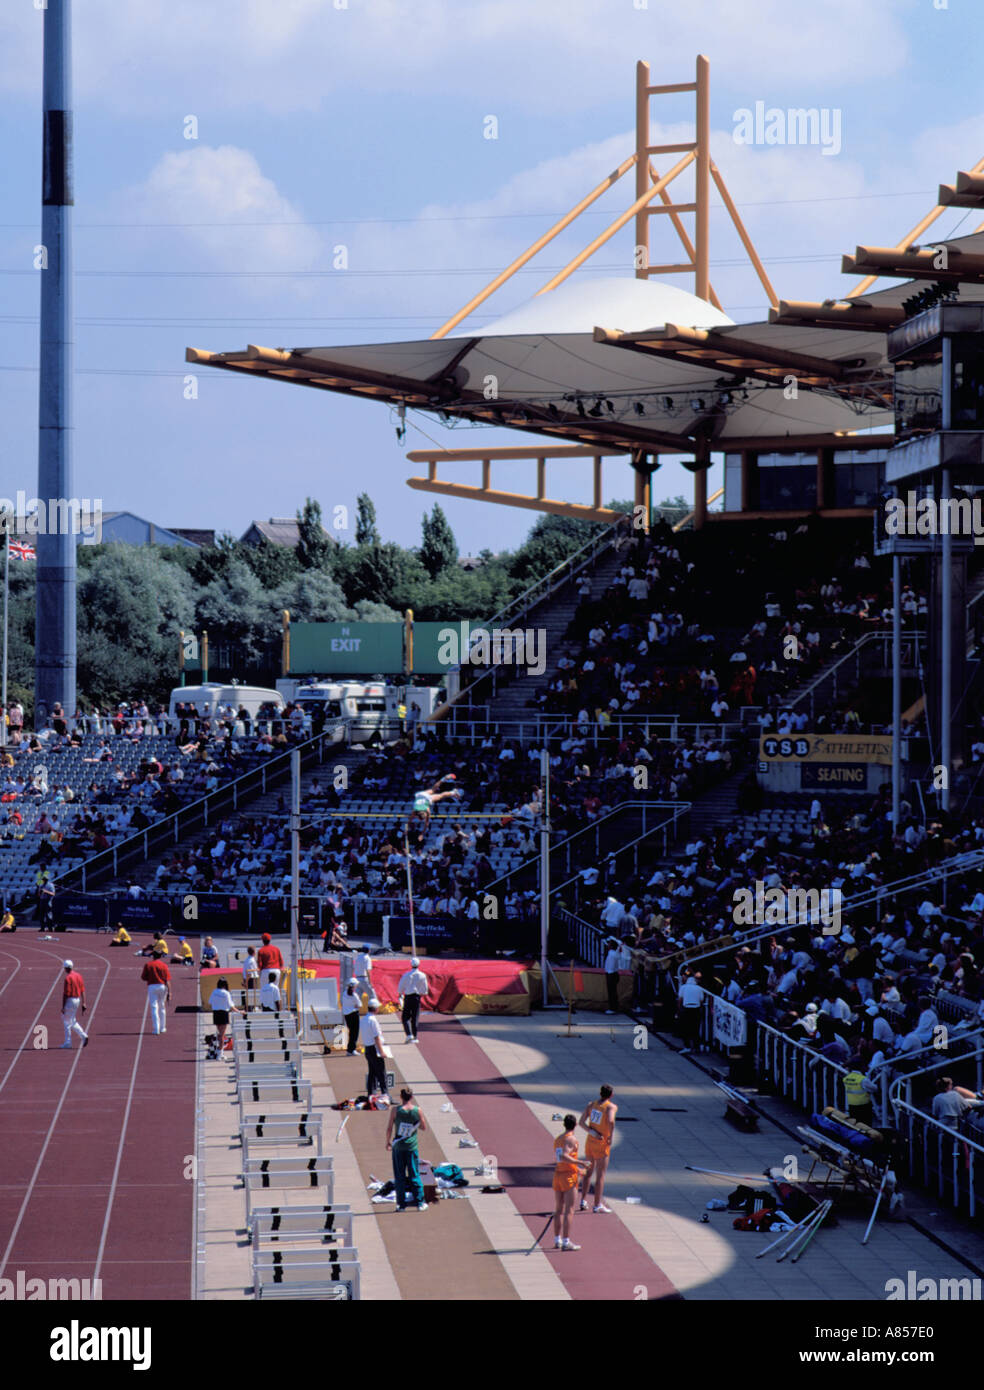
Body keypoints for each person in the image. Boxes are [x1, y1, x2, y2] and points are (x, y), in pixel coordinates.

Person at [385, 1086, 428, 1212]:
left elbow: (389, 1128)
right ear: (412, 1097)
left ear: (401, 1097)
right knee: (414, 1174)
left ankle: (401, 1204)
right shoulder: (417, 1110)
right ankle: (420, 1203)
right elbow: (423, 1127)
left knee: (400, 1176)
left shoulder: (395, 1110)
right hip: (411, 1147)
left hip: (398, 1147)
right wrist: (412, 1125)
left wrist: (387, 1142)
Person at [552, 1114, 589, 1251]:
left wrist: (577, 1169)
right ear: (575, 1126)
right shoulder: (571, 1139)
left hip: (559, 1174)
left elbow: (562, 1159)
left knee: (558, 1209)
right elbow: (564, 1156)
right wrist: (581, 1162)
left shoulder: (558, 1139)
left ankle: (557, 1239)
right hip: (568, 1178)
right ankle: (566, 1241)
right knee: (569, 1210)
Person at [578, 1083, 617, 1214]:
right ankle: (597, 1204)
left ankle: (583, 1200)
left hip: (590, 1142)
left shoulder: (591, 1105)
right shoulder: (610, 1107)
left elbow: (581, 1122)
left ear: (600, 1093)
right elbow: (611, 1121)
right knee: (600, 1176)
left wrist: (591, 1131)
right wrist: (610, 1136)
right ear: (611, 1095)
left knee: (588, 1172)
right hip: (601, 1144)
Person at [359, 998, 389, 1102]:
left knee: (372, 1072)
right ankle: (385, 1094)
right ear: (376, 1009)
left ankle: (371, 1093)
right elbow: (377, 1037)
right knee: (381, 1073)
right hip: (374, 1048)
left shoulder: (363, 1019)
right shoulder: (373, 1021)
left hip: (367, 1048)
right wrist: (382, 1052)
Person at [397, 956, 428, 1043]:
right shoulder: (422, 975)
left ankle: (409, 1034)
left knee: (405, 1017)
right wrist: (421, 994)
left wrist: (400, 993)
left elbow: (400, 986)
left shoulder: (406, 975)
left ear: (411, 964)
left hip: (408, 996)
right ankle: (415, 1036)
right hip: (417, 997)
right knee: (415, 1017)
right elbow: (425, 989)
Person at [60, 960, 90, 1049]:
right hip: (77, 1000)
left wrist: (63, 1007)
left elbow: (66, 993)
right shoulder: (78, 976)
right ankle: (83, 1036)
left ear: (66, 968)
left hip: (70, 1000)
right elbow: (82, 990)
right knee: (72, 1020)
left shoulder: (68, 978)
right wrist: (84, 1002)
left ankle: (68, 1042)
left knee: (66, 1021)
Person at [141, 954, 171, 1035]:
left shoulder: (148, 965)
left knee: (154, 1007)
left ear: (153, 956)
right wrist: (170, 992)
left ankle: (156, 1029)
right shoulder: (164, 965)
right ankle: (163, 1027)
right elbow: (167, 979)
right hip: (162, 986)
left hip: (152, 986)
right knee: (162, 1006)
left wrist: (150, 977)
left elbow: (143, 977)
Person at [208, 976, 240, 1051]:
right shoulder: (226, 993)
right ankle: (220, 1052)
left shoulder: (214, 992)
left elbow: (210, 1001)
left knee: (220, 1034)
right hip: (223, 1014)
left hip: (216, 1013)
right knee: (222, 1035)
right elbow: (231, 1006)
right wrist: (239, 1011)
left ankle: (219, 1050)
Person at [678, 970, 704, 1054]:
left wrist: (679, 1009)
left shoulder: (683, 987)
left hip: (686, 1008)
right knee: (695, 1029)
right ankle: (696, 1047)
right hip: (696, 1009)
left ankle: (687, 1046)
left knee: (685, 1028)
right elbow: (701, 1000)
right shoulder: (699, 989)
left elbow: (680, 1000)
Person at [342, 976, 362, 1056]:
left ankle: (350, 1049)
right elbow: (360, 1004)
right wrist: (355, 1006)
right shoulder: (354, 995)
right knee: (354, 1033)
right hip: (354, 1014)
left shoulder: (344, 993)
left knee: (351, 1032)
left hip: (347, 1015)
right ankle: (351, 1049)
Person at [603, 937, 621, 1015]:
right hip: (613, 974)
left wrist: (609, 974)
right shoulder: (613, 954)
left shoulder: (612, 955)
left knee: (612, 992)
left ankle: (613, 1008)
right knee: (612, 992)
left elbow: (611, 966)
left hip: (611, 974)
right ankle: (613, 1007)